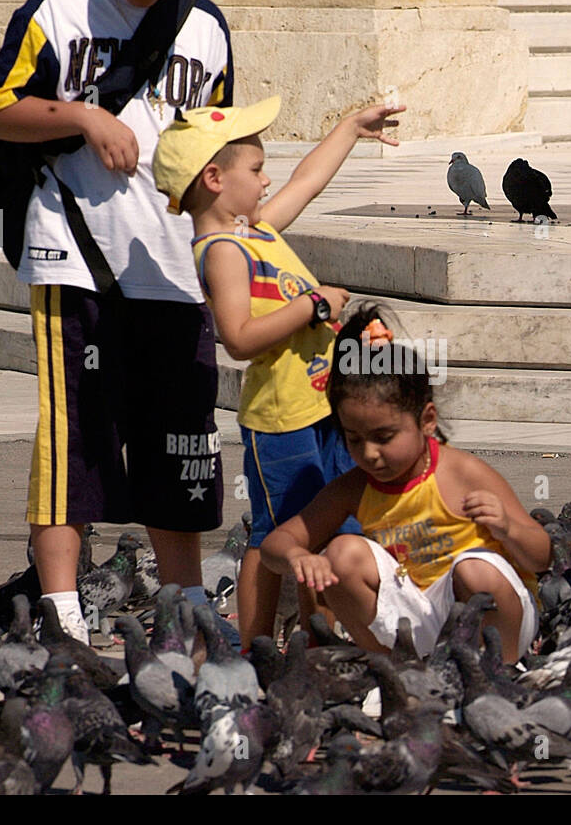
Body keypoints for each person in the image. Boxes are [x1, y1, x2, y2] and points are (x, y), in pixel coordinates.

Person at [0, 0, 233, 643]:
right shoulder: (57, 9)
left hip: (175, 267)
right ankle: (62, 612)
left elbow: (216, 145)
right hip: (74, 255)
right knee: (75, 437)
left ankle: (185, 603)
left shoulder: (207, 24)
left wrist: (225, 247)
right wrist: (85, 117)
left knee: (182, 439)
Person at [151, 95, 405, 648]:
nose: (268, 182)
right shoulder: (221, 249)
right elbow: (238, 337)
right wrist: (311, 307)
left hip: (322, 409)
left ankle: (319, 639)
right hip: (282, 419)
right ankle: (255, 644)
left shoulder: (257, 231)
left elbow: (308, 182)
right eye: (258, 169)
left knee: (331, 528)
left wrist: (349, 126)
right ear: (214, 178)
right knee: (276, 536)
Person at [258, 305, 549, 663]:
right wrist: (297, 556)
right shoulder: (355, 487)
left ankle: (497, 673)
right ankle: (396, 668)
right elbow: (275, 544)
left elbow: (541, 557)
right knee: (340, 555)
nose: (370, 453)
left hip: (499, 621)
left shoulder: (461, 472)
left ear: (426, 420)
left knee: (474, 570)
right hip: (417, 619)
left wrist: (508, 529)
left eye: (384, 436)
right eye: (354, 439)